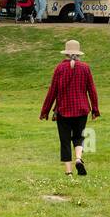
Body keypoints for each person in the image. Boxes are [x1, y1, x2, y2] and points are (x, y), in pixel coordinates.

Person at [40, 39, 100, 176]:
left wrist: (45, 111)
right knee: (79, 136)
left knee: (65, 140)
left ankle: (68, 172)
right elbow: (92, 90)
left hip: (63, 110)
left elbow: (52, 92)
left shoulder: (59, 69)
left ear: (66, 54)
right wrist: (95, 109)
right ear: (78, 54)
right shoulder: (85, 68)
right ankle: (78, 159)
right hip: (81, 109)